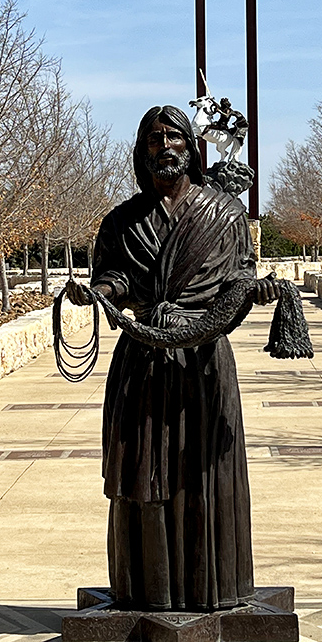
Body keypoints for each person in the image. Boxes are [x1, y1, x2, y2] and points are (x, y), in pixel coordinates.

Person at [67, 104, 276, 613]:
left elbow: (239, 277)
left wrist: (258, 291)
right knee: (143, 473)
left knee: (203, 473)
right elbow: (115, 279)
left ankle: (212, 588)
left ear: (190, 145)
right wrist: (98, 294)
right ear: (142, 152)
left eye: (174, 136)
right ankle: (147, 593)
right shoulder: (122, 221)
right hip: (142, 361)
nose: (165, 146)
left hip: (202, 363)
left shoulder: (224, 215)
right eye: (154, 139)